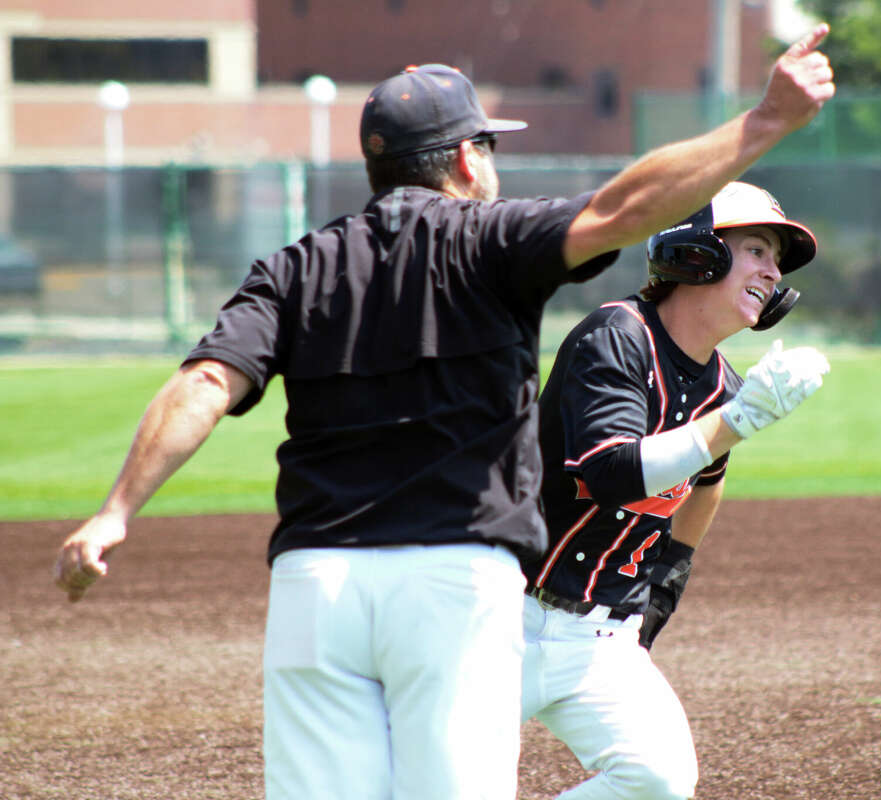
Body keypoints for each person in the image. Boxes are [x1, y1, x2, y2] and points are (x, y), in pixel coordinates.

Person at [52, 24, 836, 800]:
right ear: (467, 157)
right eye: (487, 147)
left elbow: (203, 385)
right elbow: (625, 209)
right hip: (453, 579)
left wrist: (116, 511)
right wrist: (764, 120)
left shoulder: (294, 266)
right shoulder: (497, 242)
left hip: (314, 579)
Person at [522, 180, 831, 799]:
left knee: (659, 782)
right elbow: (609, 472)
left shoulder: (722, 384)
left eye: (775, 260)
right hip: (506, 619)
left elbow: (706, 484)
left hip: (600, 639)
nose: (773, 273)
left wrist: (664, 584)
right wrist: (740, 421)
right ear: (697, 254)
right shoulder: (617, 335)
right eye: (758, 250)